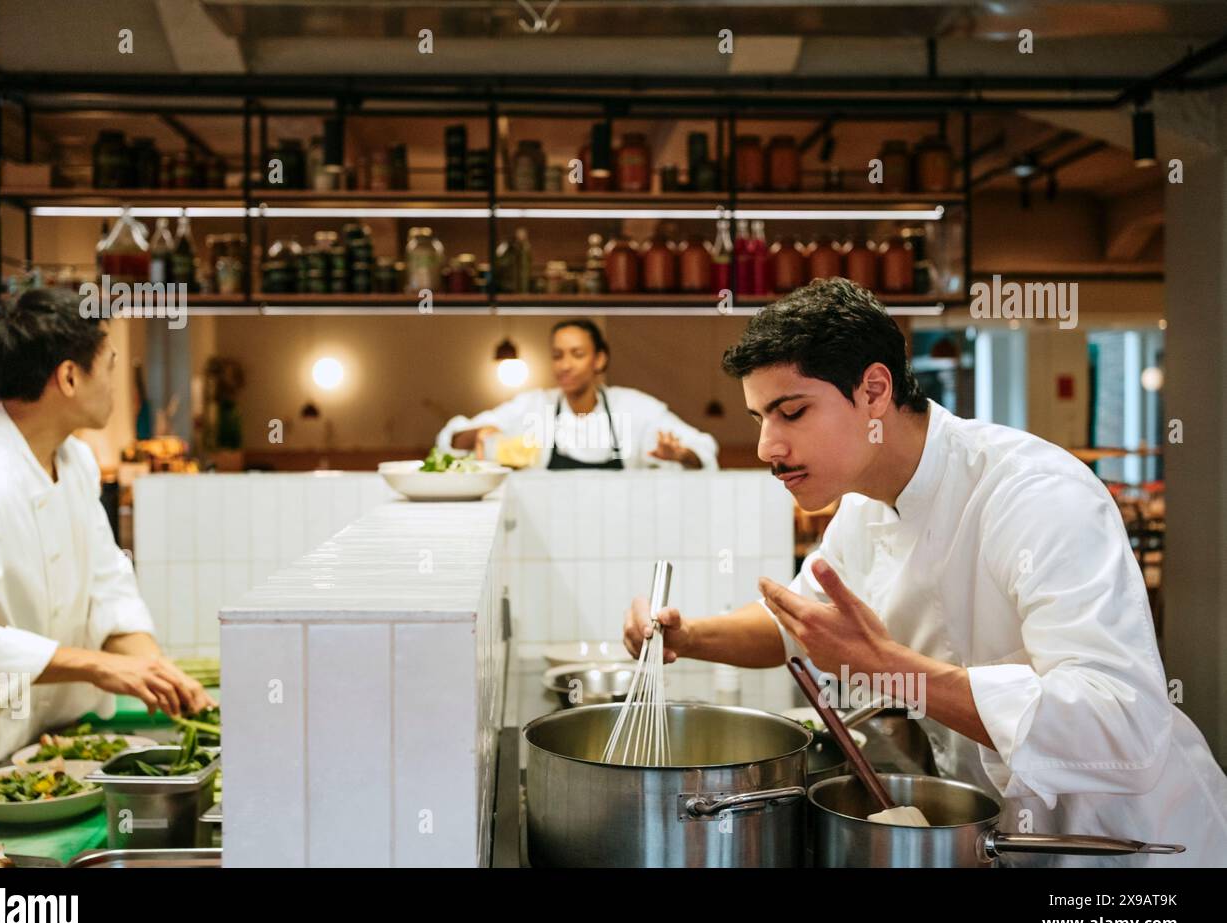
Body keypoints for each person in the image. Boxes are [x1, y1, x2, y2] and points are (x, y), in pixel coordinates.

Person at [623, 278, 1227, 866]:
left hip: (1135, 846)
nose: (767, 448)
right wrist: (685, 637)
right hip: (1010, 835)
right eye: (760, 418)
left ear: (874, 391)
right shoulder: (865, 504)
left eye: (791, 412)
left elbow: (1120, 727)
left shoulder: (1033, 492)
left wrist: (886, 667)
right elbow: (796, 625)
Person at [0, 288, 212, 800]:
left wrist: (149, 664)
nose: (115, 383)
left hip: (59, 746)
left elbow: (107, 578)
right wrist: (100, 666)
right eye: (111, 365)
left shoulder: (75, 459)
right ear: (69, 376)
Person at [435, 319, 718, 470]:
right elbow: (450, 440)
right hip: (547, 542)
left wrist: (681, 454)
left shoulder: (635, 408)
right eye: (557, 355)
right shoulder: (532, 407)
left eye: (577, 354)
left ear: (599, 360)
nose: (565, 365)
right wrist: (477, 434)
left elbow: (704, 448)